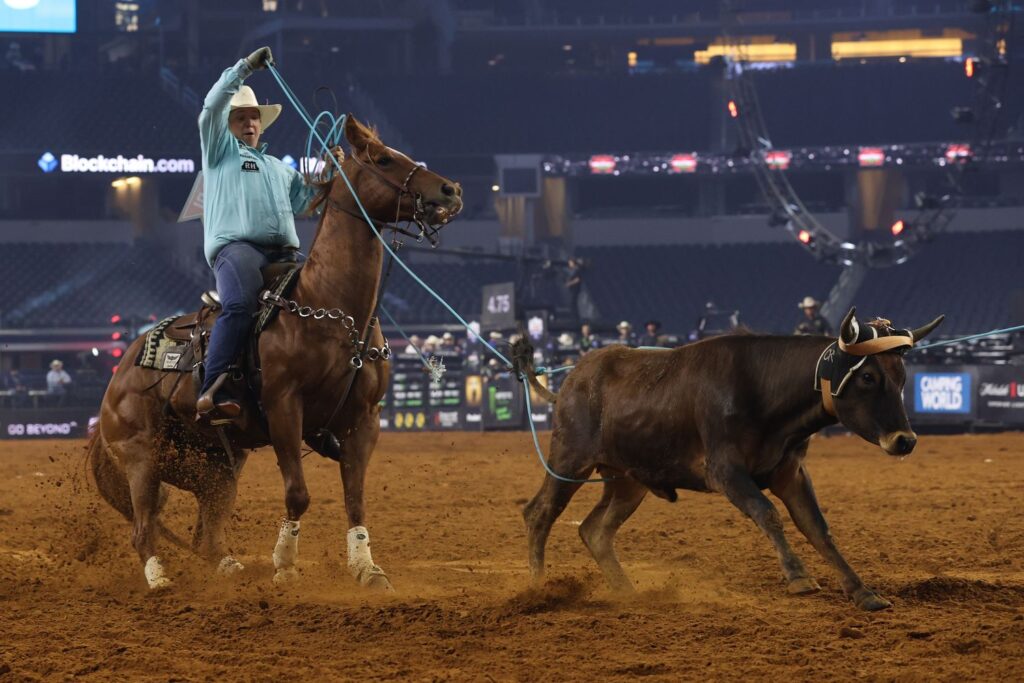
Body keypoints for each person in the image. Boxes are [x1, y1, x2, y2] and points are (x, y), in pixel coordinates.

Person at [195, 46, 344, 419]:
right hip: (236, 249)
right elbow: (210, 108)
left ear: (262, 124)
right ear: (227, 124)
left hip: (283, 256)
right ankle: (212, 389)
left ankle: (322, 396)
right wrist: (244, 68)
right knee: (240, 305)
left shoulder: (280, 168)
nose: (249, 123)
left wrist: (329, 172)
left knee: (323, 305)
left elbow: (309, 199)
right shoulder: (219, 152)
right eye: (241, 117)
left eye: (254, 118)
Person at [565, 257, 583, 321]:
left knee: (573, 304)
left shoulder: (578, 270)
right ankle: (574, 318)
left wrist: (569, 283)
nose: (569, 264)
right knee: (572, 304)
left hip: (575, 289)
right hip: (573, 289)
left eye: (570, 263)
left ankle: (576, 318)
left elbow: (577, 279)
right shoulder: (573, 270)